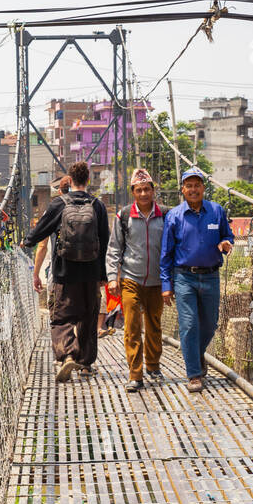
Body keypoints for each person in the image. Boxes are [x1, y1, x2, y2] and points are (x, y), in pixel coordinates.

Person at [21, 161, 109, 382]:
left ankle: (68, 354)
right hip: (90, 272)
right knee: (88, 318)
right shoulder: (97, 205)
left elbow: (42, 229)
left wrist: (26, 241)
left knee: (62, 318)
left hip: (64, 270)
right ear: (88, 180)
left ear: (69, 180)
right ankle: (86, 364)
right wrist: (103, 275)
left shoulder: (59, 203)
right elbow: (105, 242)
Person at [160, 169, 234, 393]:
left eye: (197, 185)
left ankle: (196, 353)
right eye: (188, 185)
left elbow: (227, 235)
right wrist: (166, 285)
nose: (193, 189)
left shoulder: (217, 211)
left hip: (211, 275)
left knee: (210, 324)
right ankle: (194, 374)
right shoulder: (174, 216)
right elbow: (166, 253)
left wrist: (225, 243)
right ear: (182, 189)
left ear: (203, 188)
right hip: (184, 277)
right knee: (189, 325)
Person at [105, 168, 166, 392]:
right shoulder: (123, 217)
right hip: (131, 278)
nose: (143, 194)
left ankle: (153, 364)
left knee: (154, 324)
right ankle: (135, 374)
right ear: (133, 192)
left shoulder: (165, 216)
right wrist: (113, 277)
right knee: (132, 325)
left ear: (153, 191)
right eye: (139, 190)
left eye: (147, 189)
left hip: (157, 280)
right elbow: (113, 249)